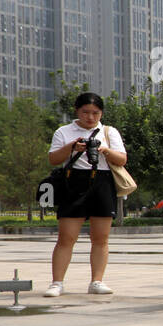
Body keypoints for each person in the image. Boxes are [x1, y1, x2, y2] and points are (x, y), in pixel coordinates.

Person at [44, 93, 128, 297]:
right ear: (76, 110)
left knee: (101, 237)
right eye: (86, 112)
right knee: (66, 237)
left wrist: (105, 150)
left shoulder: (109, 132)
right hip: (74, 183)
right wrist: (72, 147)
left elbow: (122, 160)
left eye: (96, 113)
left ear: (102, 113)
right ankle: (57, 283)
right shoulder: (64, 131)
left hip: (102, 182)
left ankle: (96, 281)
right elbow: (53, 159)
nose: (90, 117)